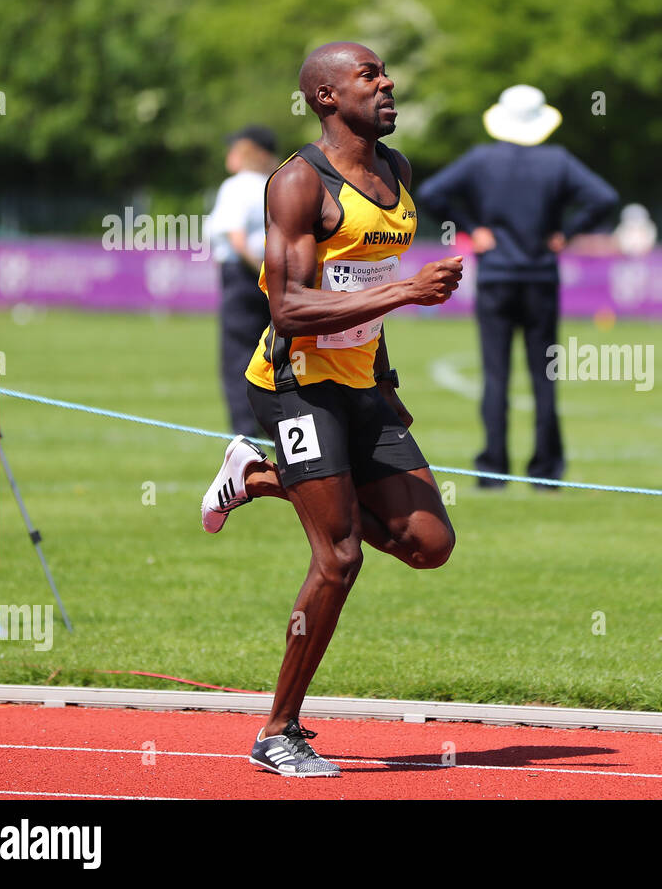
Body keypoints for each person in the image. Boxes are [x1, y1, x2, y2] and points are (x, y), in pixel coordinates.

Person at [198, 41, 464, 777]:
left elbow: (365, 279)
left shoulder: (397, 171)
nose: (386, 84)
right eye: (368, 76)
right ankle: (277, 731)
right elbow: (288, 308)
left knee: (427, 542)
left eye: (382, 73)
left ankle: (254, 477)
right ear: (325, 98)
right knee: (339, 555)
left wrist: (386, 377)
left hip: (361, 382)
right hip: (294, 384)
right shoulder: (295, 184)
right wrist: (407, 292)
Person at [416, 84, 619, 488]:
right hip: (540, 277)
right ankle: (545, 471)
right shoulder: (557, 161)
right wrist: (567, 231)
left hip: (495, 278)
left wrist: (473, 229)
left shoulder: (480, 160)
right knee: (544, 377)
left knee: (495, 376)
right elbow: (605, 197)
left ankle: (492, 469)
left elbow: (429, 192)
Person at [207, 125, 279, 437]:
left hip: (244, 275)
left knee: (238, 355)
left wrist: (260, 272)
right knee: (272, 353)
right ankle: (274, 423)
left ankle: (246, 432)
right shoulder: (275, 184)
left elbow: (236, 239)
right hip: (274, 274)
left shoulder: (236, 187)